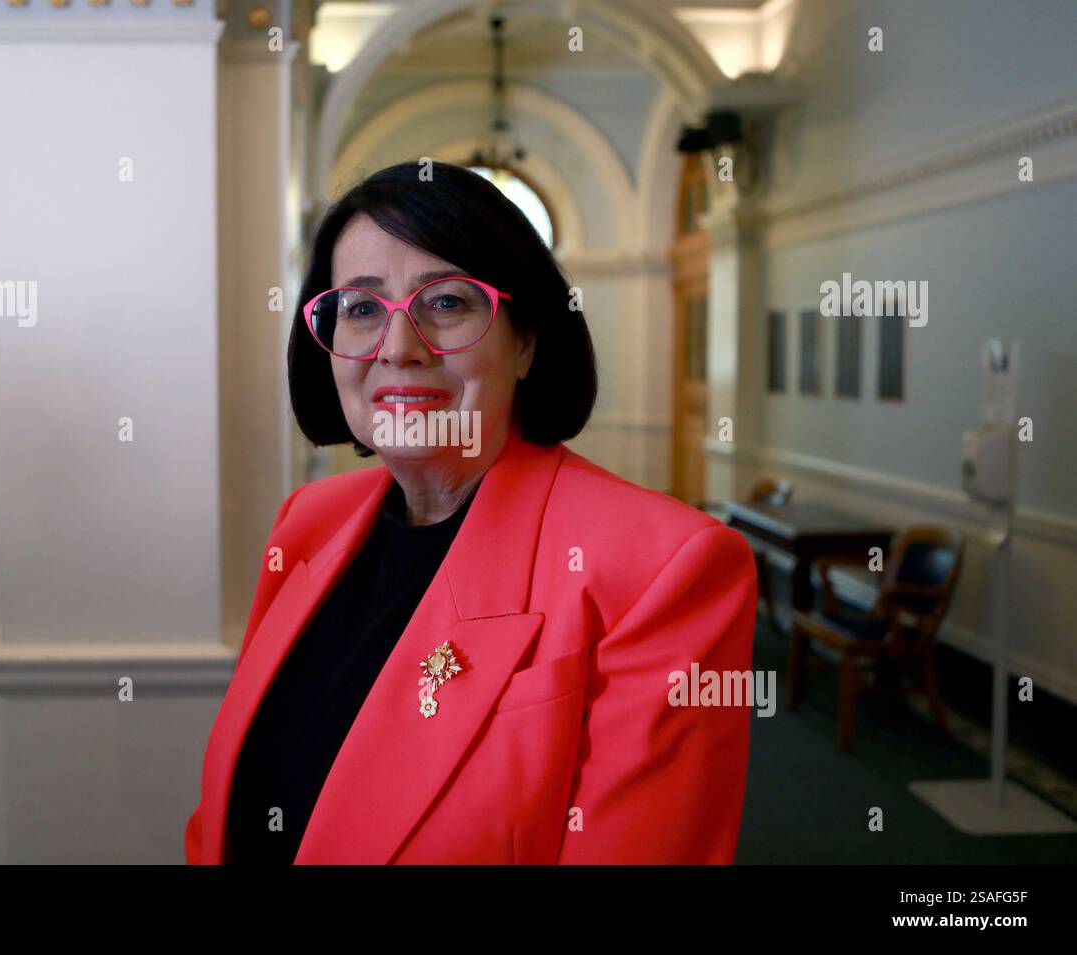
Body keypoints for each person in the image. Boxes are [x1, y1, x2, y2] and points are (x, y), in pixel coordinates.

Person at [185, 161, 757, 864]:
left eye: (448, 302)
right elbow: (223, 815)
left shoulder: (664, 567)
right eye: (362, 308)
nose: (399, 347)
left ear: (525, 340)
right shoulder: (307, 522)